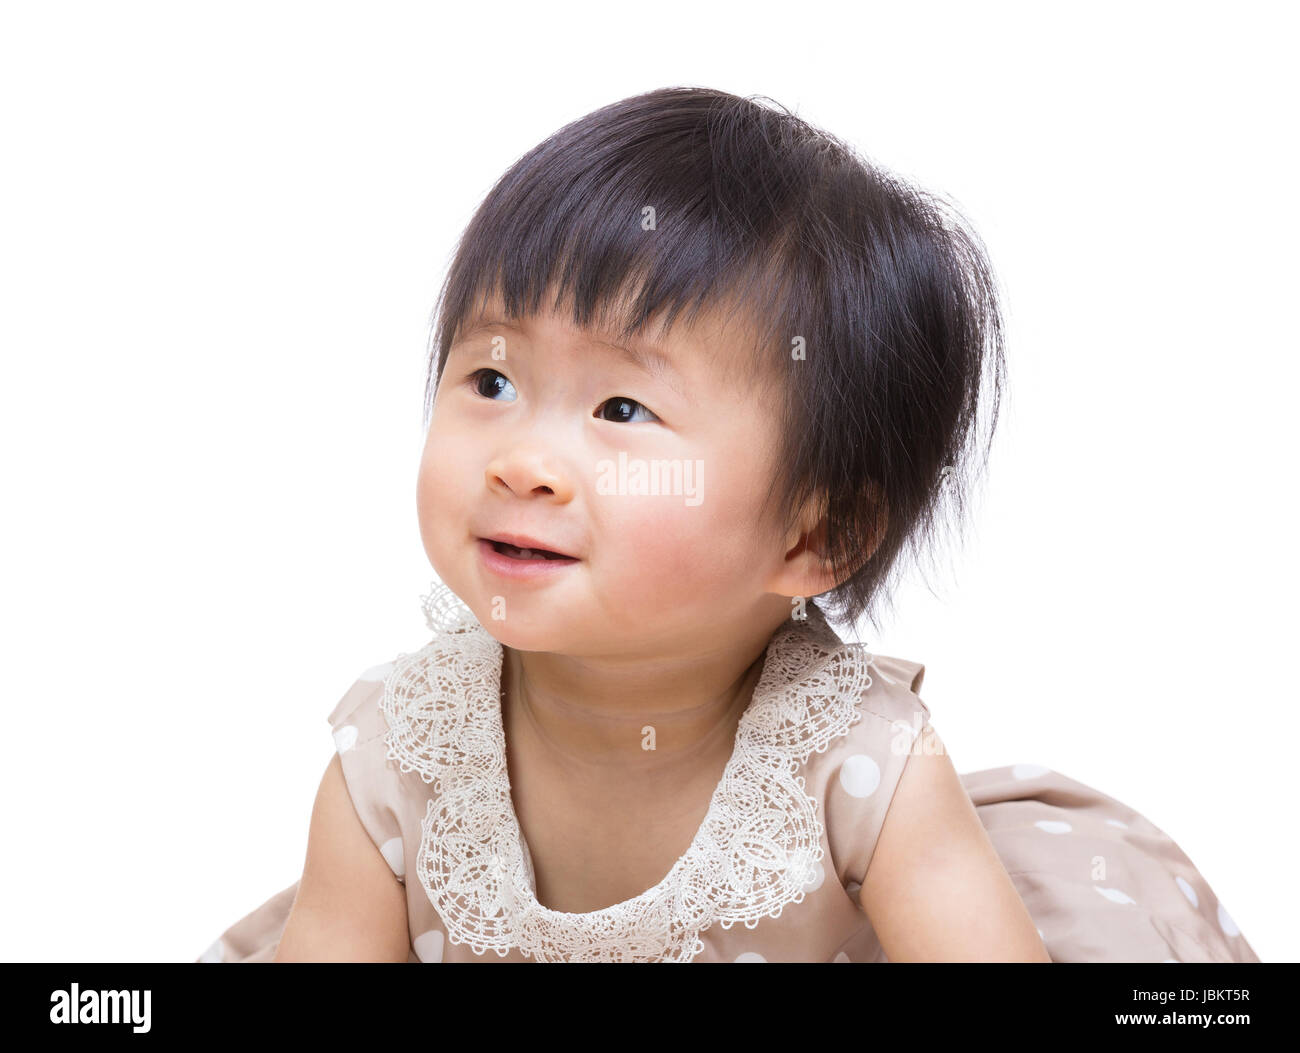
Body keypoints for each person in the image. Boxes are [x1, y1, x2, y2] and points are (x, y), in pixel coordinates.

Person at [196, 88, 1260, 963]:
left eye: (622, 409)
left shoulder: (856, 761)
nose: (520, 459)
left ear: (815, 538)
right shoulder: (397, 747)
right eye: (491, 377)